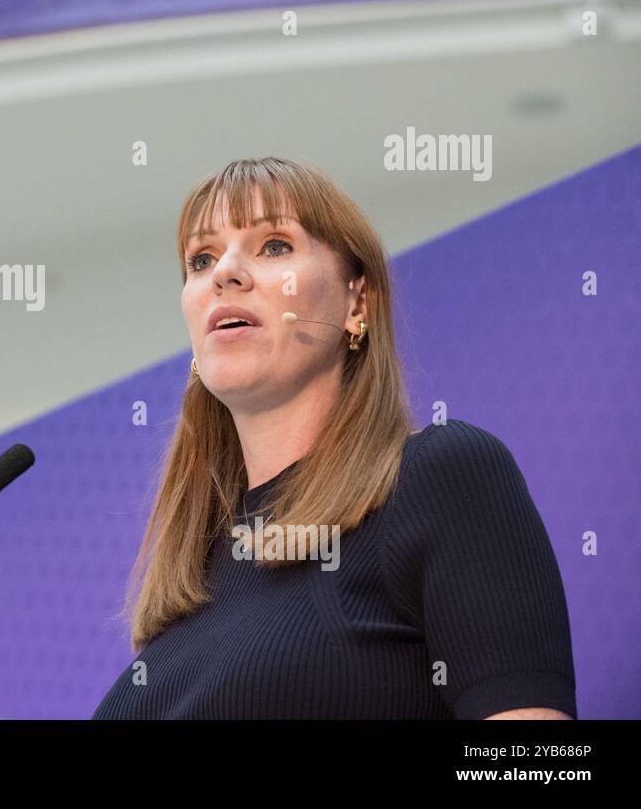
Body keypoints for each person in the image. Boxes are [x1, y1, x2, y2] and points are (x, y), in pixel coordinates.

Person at [91, 157, 575, 719]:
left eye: (274, 246)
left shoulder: (438, 476)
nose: (224, 272)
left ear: (356, 302)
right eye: (201, 259)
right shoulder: (194, 583)